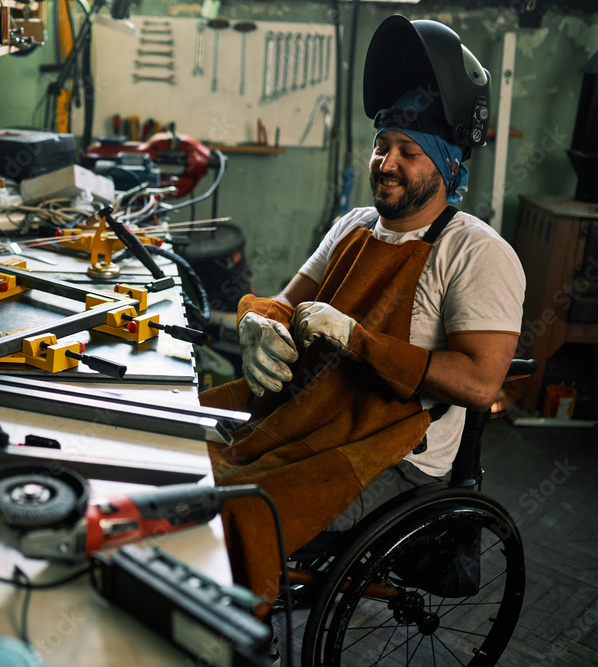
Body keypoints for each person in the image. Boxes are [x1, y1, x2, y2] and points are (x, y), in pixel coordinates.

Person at [200, 15, 526, 607]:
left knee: (238, 513)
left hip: (387, 451)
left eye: (409, 151)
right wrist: (256, 320)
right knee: (179, 454)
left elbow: (480, 382)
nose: (387, 162)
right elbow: (286, 301)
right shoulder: (354, 225)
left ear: (448, 166)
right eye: (382, 146)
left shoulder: (477, 252)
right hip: (308, 413)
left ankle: (240, 633)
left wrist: (358, 340)